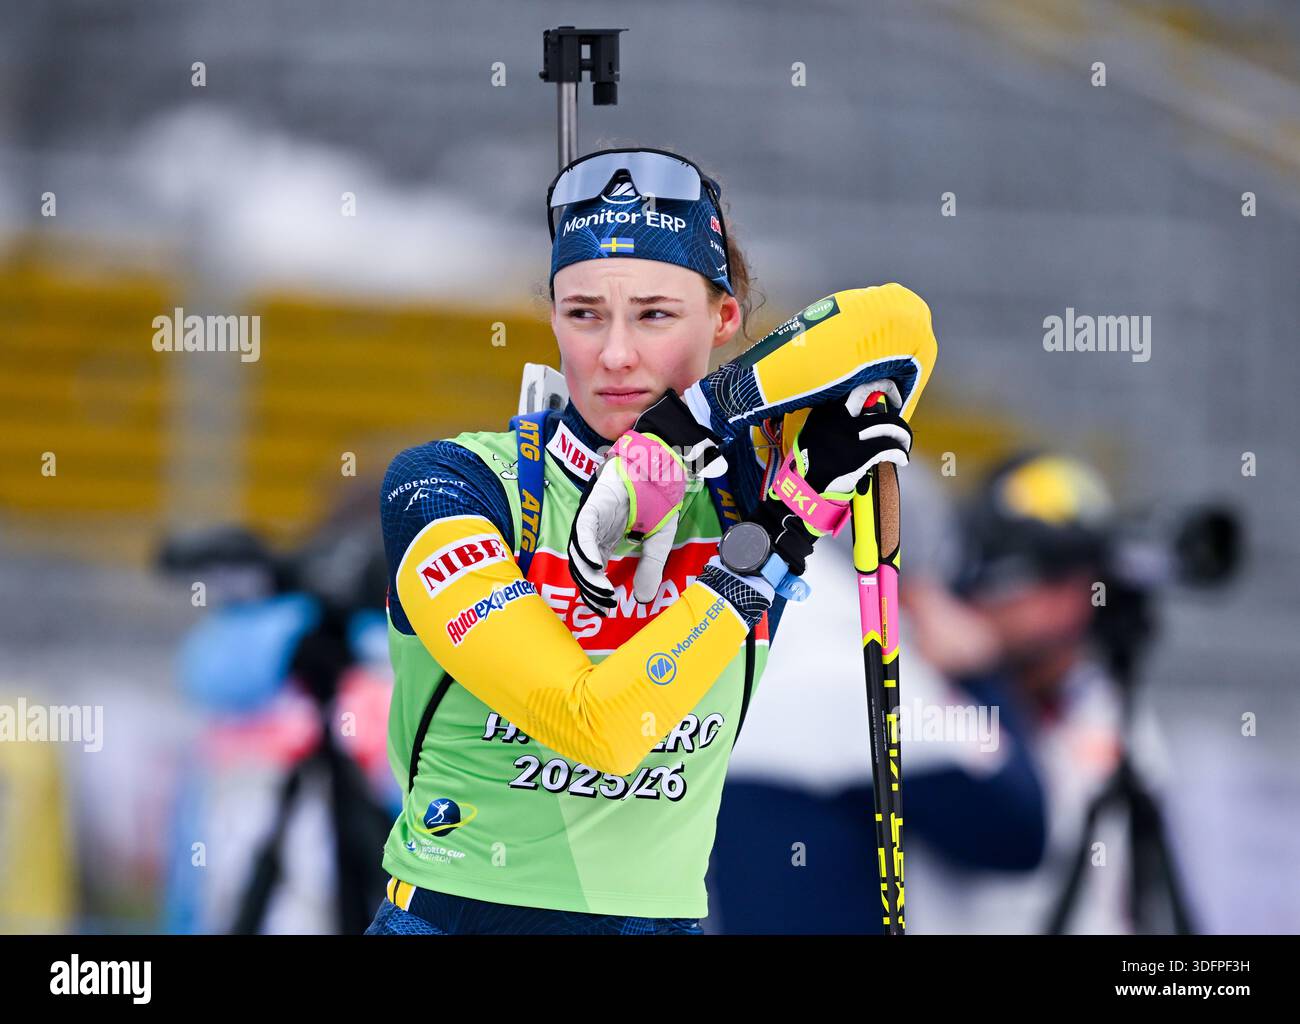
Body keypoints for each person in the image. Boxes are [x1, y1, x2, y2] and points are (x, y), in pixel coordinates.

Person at [365, 146, 938, 934]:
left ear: (725, 317)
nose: (615, 355)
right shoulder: (456, 483)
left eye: (656, 314)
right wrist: (779, 537)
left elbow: (897, 327)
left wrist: (686, 430)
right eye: (584, 313)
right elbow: (599, 727)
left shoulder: (744, 473)